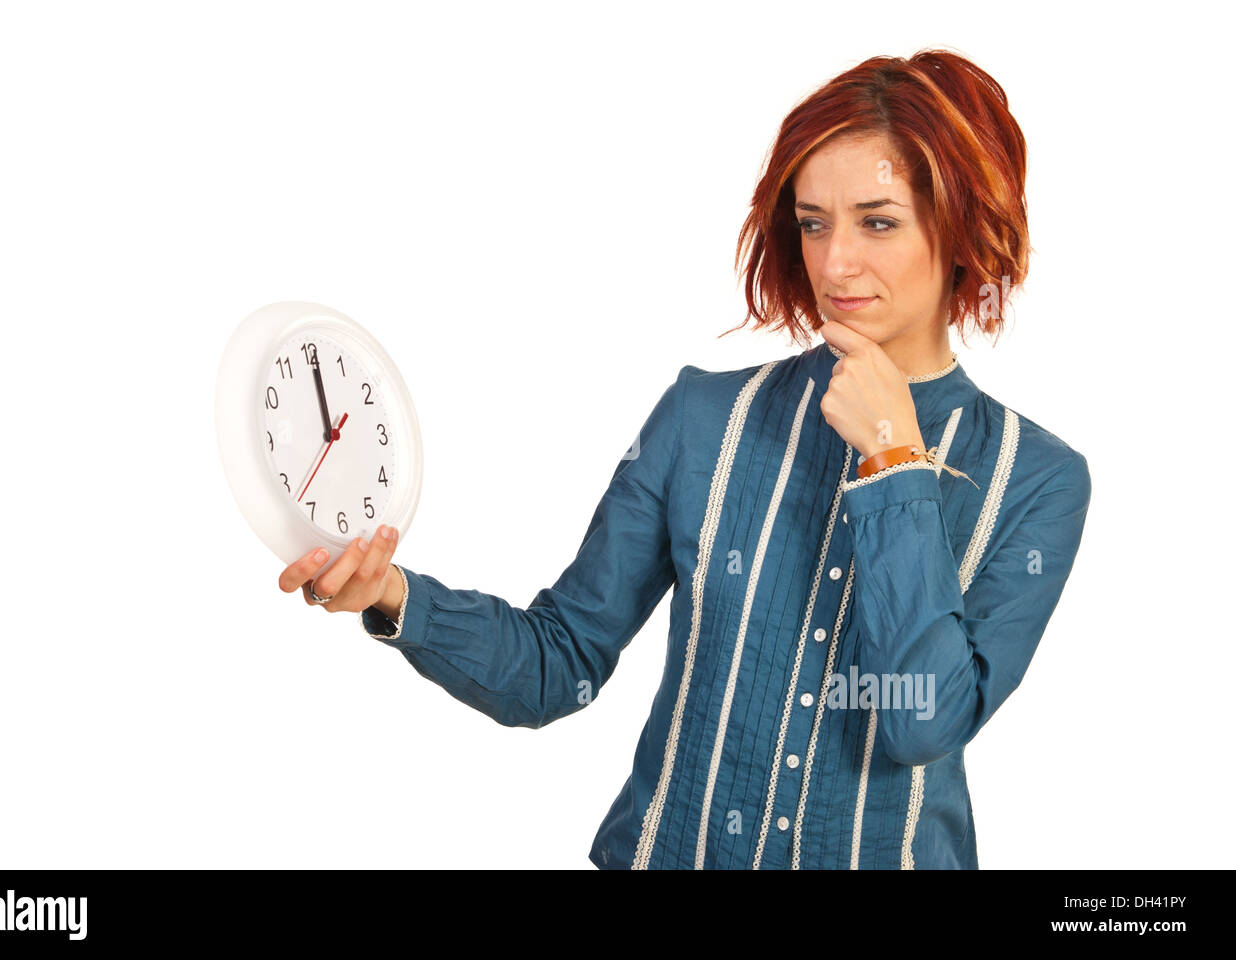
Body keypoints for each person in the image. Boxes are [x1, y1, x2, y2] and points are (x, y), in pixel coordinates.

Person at [276, 48, 1092, 869]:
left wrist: (894, 461)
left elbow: (923, 723)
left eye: (877, 222)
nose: (835, 262)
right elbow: (557, 664)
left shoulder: (1037, 482)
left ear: (962, 227)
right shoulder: (704, 419)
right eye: (814, 222)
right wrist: (391, 595)